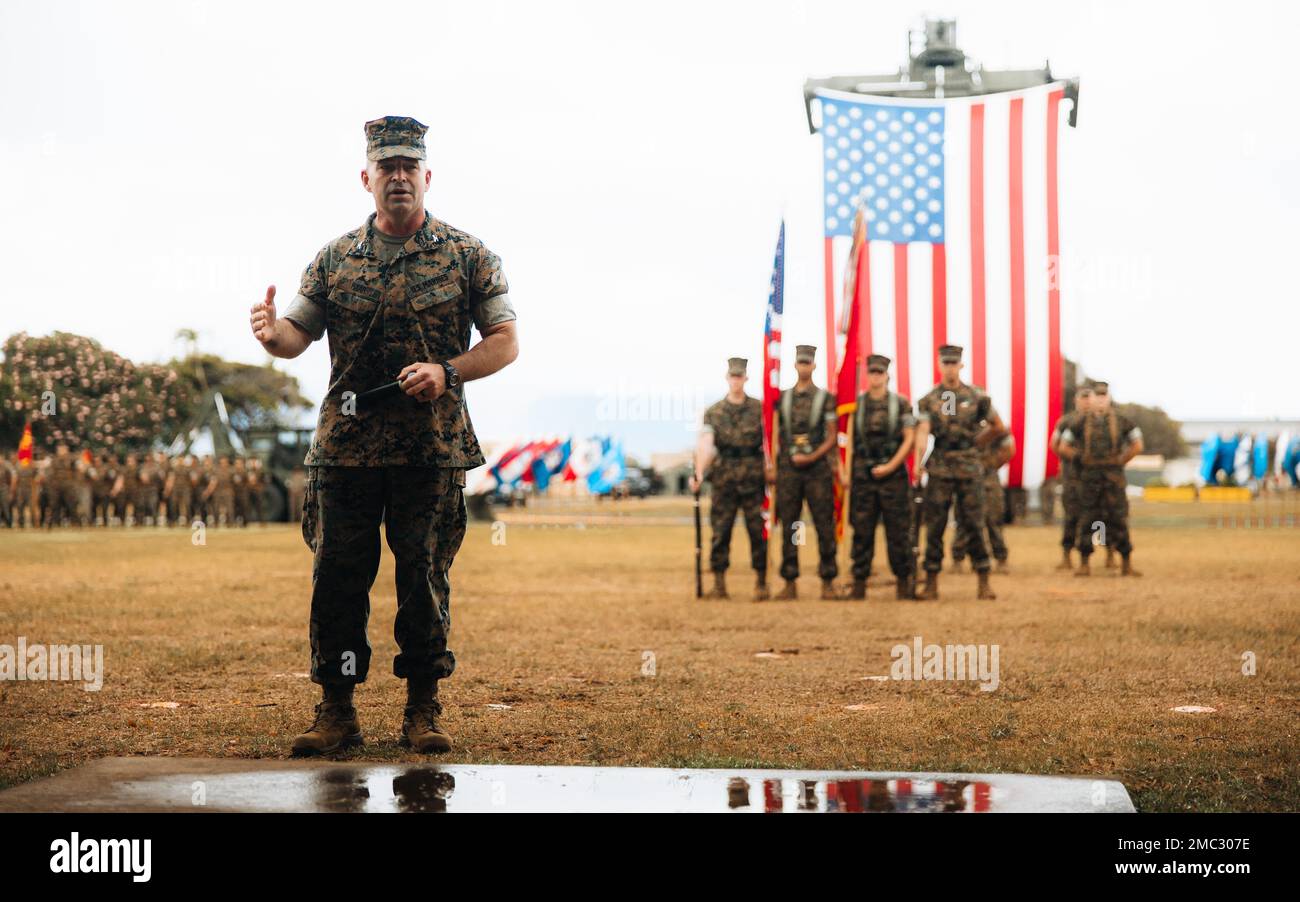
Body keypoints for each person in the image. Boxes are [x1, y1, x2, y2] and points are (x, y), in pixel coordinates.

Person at [251, 115, 518, 756]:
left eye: (409, 167)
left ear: (427, 177)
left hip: (430, 451)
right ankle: (336, 711)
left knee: (422, 578)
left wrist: (447, 371)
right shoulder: (336, 258)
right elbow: (297, 334)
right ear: (366, 178)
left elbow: (506, 343)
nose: (398, 177)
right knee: (339, 577)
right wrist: (270, 334)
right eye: (386, 167)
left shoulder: (467, 254)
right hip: (344, 451)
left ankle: (423, 710)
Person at [912, 345, 1007, 601]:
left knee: (974, 523)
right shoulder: (929, 399)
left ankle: (984, 580)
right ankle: (931, 581)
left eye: (954, 363)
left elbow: (999, 427)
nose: (950, 367)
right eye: (946, 362)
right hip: (940, 465)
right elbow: (922, 431)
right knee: (935, 525)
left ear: (961, 365)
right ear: (940, 365)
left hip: (969, 466)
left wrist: (976, 443)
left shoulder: (978, 397)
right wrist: (918, 461)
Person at [690, 357, 768, 601]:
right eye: (732, 376)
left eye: (740, 376)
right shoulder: (714, 412)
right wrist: (700, 472)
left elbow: (769, 443)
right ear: (727, 378)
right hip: (724, 477)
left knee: (758, 530)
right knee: (720, 530)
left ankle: (761, 582)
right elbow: (706, 445)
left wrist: (771, 469)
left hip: (753, 476)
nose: (736, 380)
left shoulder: (760, 408)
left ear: (746, 378)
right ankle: (719, 583)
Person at [841, 354, 916, 600]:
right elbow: (847, 440)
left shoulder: (901, 404)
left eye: (879, 373)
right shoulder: (855, 405)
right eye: (872, 372)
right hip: (863, 475)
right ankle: (859, 582)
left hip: (893, 476)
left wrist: (892, 465)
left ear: (887, 375)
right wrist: (846, 471)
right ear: (866, 375)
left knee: (898, 531)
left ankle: (904, 583)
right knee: (862, 530)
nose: (875, 377)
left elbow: (909, 439)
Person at [772, 345, 841, 600]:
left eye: (808, 363)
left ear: (814, 366)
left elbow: (832, 435)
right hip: (789, 471)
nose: (804, 366)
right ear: (795, 365)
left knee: (824, 524)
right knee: (792, 525)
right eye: (800, 362)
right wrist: (779, 462)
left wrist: (812, 456)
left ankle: (828, 580)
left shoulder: (825, 398)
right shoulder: (782, 398)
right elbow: (775, 433)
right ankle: (790, 581)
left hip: (817, 470)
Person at [1058, 381, 1143, 577]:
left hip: (1114, 479)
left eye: (1104, 396)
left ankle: (1125, 562)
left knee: (1118, 519)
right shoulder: (1078, 422)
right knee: (1087, 519)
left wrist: (1121, 460)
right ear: (1092, 398)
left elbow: (1137, 444)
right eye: (1097, 396)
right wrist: (1080, 459)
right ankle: (1084, 563)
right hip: (1088, 479)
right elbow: (1063, 446)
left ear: (1109, 398)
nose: (1101, 400)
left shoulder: (1122, 421)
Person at [952, 432, 1014, 573]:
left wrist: (993, 464)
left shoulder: (997, 429)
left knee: (994, 520)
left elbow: (1009, 449)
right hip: (966, 478)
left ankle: (1000, 558)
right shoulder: (962, 426)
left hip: (989, 480)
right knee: (963, 519)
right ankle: (958, 559)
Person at [1049, 386, 1092, 570]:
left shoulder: (1101, 422)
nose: (1086, 402)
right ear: (1076, 401)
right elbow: (1054, 444)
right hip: (1072, 477)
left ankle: (1108, 553)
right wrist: (1072, 457)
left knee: (1100, 518)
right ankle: (1066, 555)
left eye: (1088, 398)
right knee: (1071, 517)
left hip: (1095, 479)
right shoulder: (1066, 421)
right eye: (1082, 398)